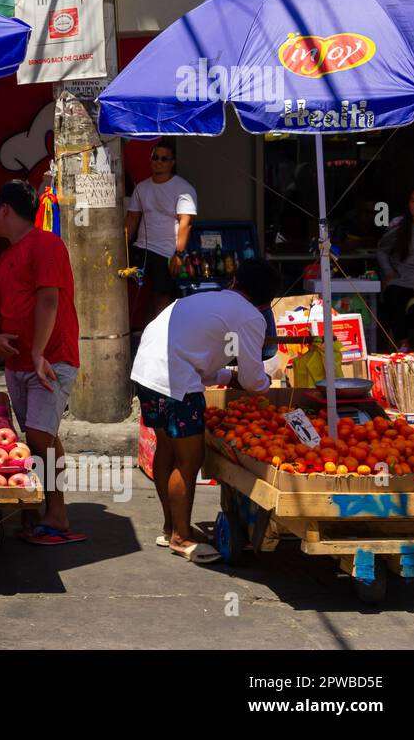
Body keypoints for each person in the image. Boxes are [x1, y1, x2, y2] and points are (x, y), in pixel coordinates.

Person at [131, 258, 278, 565]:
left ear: (235, 281)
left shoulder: (207, 298)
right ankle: (181, 537)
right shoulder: (252, 317)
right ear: (266, 301)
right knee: (190, 460)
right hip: (175, 379)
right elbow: (253, 380)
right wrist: (268, 383)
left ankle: (171, 526)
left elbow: (199, 353)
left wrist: (228, 376)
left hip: (147, 369)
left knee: (167, 450)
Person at [0, 180, 83, 545]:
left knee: (41, 433)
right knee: (33, 435)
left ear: (5, 209)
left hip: (52, 358)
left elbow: (49, 301)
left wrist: (40, 352)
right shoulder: (7, 257)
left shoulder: (46, 244)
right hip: (18, 363)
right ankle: (38, 506)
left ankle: (57, 514)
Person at [125, 139, 197, 321]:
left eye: (164, 159)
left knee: (161, 297)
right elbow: (132, 218)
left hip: (166, 252)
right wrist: (122, 248)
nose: (158, 162)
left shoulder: (183, 189)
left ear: (172, 162)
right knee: (137, 297)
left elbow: (185, 223)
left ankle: (157, 337)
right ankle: (143, 335)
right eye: (155, 157)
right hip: (141, 249)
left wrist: (179, 254)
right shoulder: (142, 187)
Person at [378, 186, 414, 351]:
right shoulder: (399, 227)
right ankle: (403, 343)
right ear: (408, 204)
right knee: (392, 292)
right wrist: (388, 272)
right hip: (405, 280)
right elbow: (382, 250)